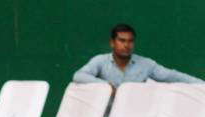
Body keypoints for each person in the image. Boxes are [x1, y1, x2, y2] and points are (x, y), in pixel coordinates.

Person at [73, 23, 203, 88]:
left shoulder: (146, 64)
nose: (126, 45)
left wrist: (202, 85)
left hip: (134, 116)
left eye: (130, 41)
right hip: (103, 116)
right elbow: (78, 76)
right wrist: (107, 86)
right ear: (112, 43)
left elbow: (172, 76)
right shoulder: (100, 61)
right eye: (122, 41)